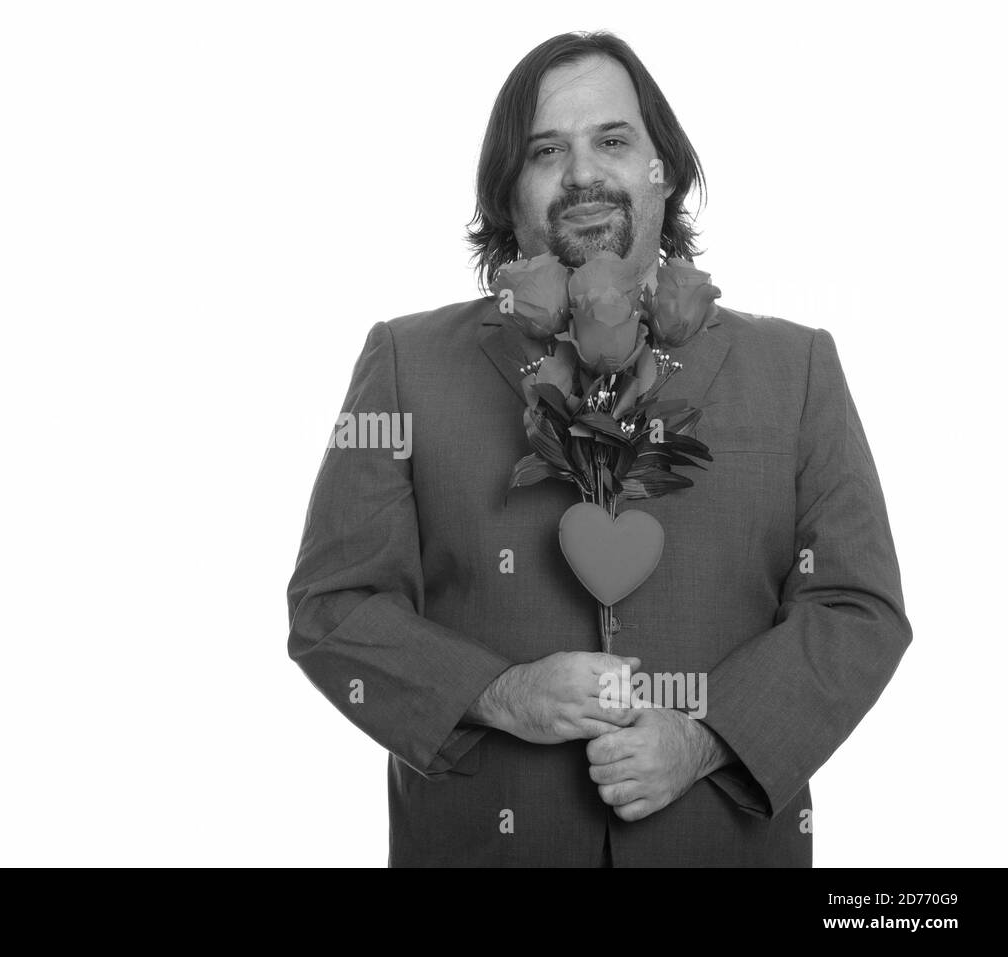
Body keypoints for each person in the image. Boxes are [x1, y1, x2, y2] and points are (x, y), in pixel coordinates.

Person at [285, 30, 911, 867]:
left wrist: (706, 737)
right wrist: (503, 695)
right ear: (508, 195)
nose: (583, 172)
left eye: (613, 141)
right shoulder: (405, 366)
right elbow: (335, 608)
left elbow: (856, 609)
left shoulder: (796, 369)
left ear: (667, 172)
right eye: (547, 151)